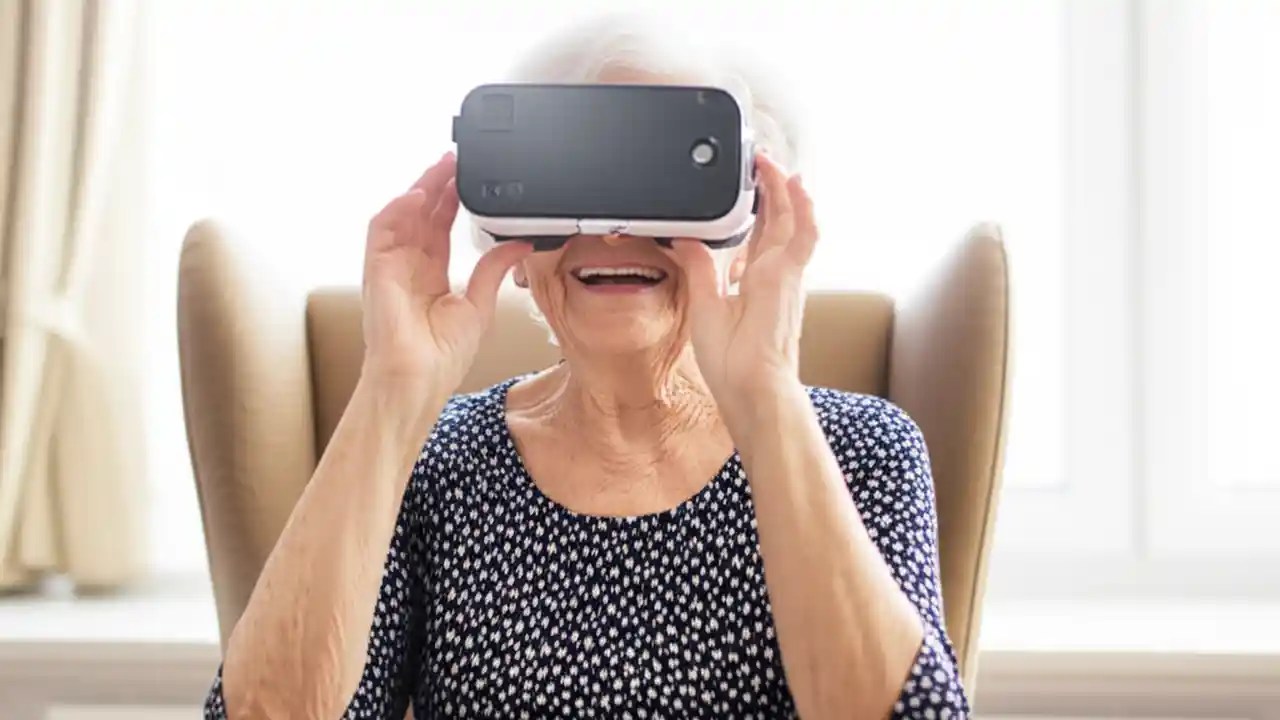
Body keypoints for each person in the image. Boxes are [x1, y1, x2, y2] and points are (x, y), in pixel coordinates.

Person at [203, 16, 969, 720]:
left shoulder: (862, 451)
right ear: (514, 244)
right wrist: (392, 390)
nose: (613, 230)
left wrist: (765, 397)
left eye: (662, 184)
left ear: (749, 226)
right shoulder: (431, 464)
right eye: (575, 178)